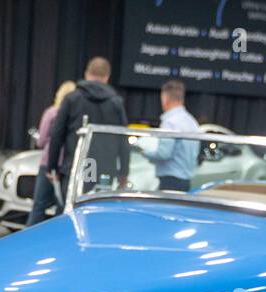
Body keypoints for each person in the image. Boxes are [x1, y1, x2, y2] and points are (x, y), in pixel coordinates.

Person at [49, 56, 130, 202]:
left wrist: (52, 167)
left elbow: (57, 135)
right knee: (99, 215)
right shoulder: (116, 103)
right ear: (107, 77)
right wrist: (123, 173)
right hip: (104, 171)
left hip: (75, 167)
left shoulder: (72, 98)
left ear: (87, 73)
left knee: (69, 214)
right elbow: (123, 139)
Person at [27, 80, 76, 225]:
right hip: (68, 165)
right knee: (62, 209)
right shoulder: (75, 117)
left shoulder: (51, 113)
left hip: (48, 163)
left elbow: (41, 141)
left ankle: (28, 243)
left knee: (38, 207)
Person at [138, 79, 199, 192]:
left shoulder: (170, 122)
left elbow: (164, 153)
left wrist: (145, 153)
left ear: (165, 99)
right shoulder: (192, 122)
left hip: (170, 181)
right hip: (185, 180)